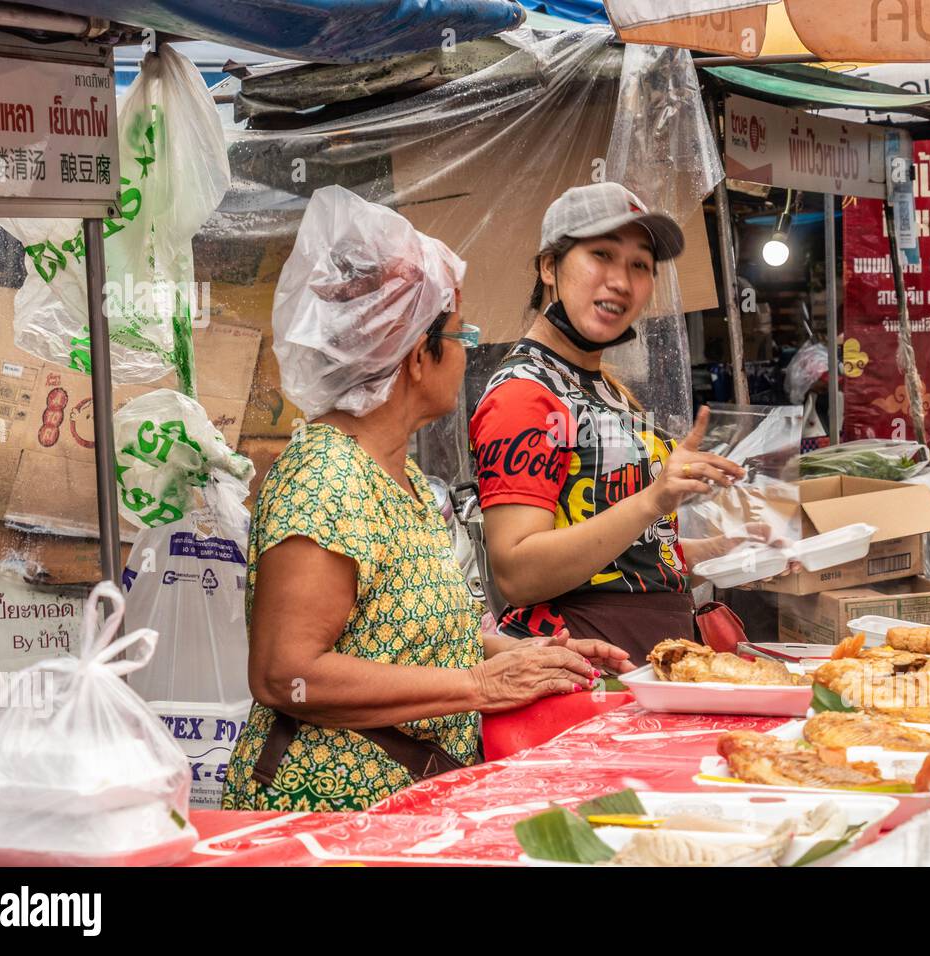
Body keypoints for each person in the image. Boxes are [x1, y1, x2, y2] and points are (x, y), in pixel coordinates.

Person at [223, 185, 632, 813]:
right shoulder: (327, 480)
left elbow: (410, 633)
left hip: (407, 804)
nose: (468, 349)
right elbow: (287, 673)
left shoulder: (400, 476)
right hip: (327, 816)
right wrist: (479, 684)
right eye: (460, 330)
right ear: (417, 354)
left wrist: (527, 655)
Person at [469, 182, 773, 658]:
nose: (621, 281)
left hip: (642, 663)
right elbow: (518, 574)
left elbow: (626, 559)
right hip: (577, 667)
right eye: (602, 255)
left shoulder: (608, 391)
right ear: (549, 266)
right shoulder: (525, 394)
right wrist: (654, 498)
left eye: (639, 265)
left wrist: (728, 548)